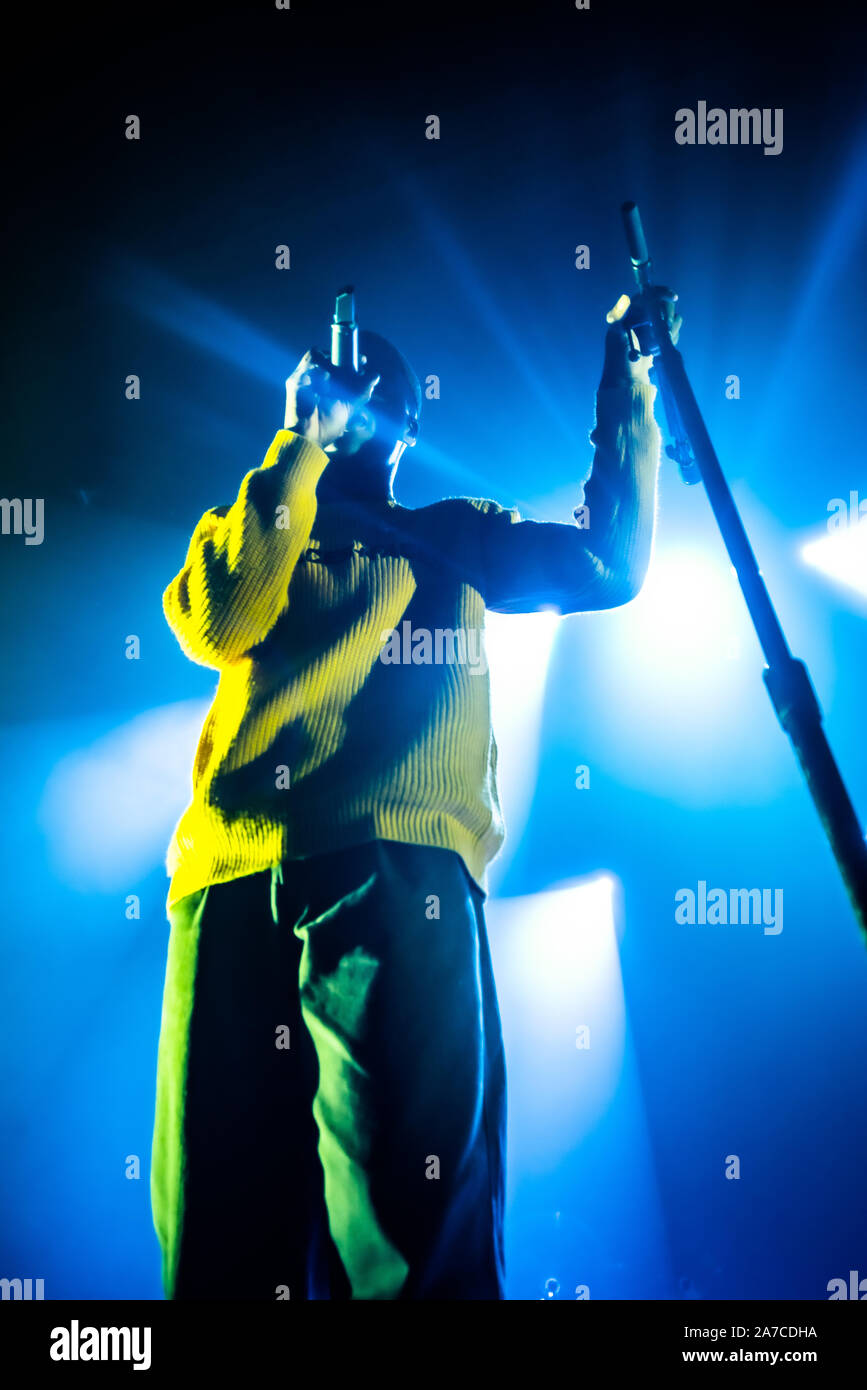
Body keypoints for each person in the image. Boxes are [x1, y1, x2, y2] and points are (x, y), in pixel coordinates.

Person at [150, 287, 679, 1300]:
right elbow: (218, 619)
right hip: (228, 886)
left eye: (381, 394)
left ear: (409, 426)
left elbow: (607, 562)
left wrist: (630, 383)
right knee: (216, 1236)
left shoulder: (454, 536)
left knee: (409, 1224)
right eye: (340, 385)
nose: (361, 404)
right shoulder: (259, 528)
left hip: (394, 876)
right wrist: (300, 445)